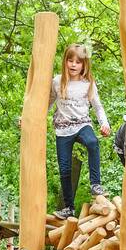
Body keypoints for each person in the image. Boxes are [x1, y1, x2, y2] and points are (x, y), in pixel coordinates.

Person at [50, 43, 111, 219]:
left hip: (82, 124)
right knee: (65, 168)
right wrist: (30, 118)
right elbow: (47, 103)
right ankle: (69, 207)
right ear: (65, 62)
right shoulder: (57, 81)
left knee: (92, 142)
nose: (74, 65)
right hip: (63, 128)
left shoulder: (87, 84)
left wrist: (104, 124)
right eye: (70, 60)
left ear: (84, 65)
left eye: (78, 62)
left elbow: (98, 107)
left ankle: (95, 184)